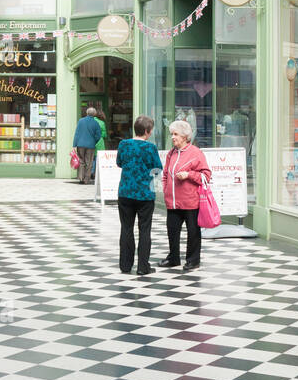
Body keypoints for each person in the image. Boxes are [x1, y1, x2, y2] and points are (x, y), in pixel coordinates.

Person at [160, 119, 211, 272]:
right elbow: (165, 174)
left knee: (193, 232)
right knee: (172, 230)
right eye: (171, 134)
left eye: (175, 134)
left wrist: (189, 175)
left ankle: (193, 260)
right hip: (173, 201)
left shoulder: (196, 153)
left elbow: (206, 176)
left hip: (191, 201)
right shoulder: (171, 153)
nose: (172, 137)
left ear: (185, 136)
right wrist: (166, 189)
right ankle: (173, 258)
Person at [115, 115, 162, 276]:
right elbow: (157, 168)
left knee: (126, 228)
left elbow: (119, 163)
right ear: (147, 131)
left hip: (125, 192)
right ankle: (143, 266)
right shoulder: (150, 148)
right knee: (144, 230)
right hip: (144, 193)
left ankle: (125, 265)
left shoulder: (123, 144)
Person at [72, 106, 101, 185]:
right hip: (90, 145)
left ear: (87, 113)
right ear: (94, 114)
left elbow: (77, 133)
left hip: (80, 144)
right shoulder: (96, 123)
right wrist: (94, 141)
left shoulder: (81, 121)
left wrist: (74, 145)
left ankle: (81, 178)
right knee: (89, 162)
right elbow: (98, 135)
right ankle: (86, 180)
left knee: (81, 161)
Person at [90, 106, 108, 180]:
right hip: (99, 142)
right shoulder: (102, 123)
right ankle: (95, 173)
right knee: (97, 158)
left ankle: (90, 172)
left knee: (91, 158)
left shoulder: (92, 120)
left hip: (91, 141)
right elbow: (104, 134)